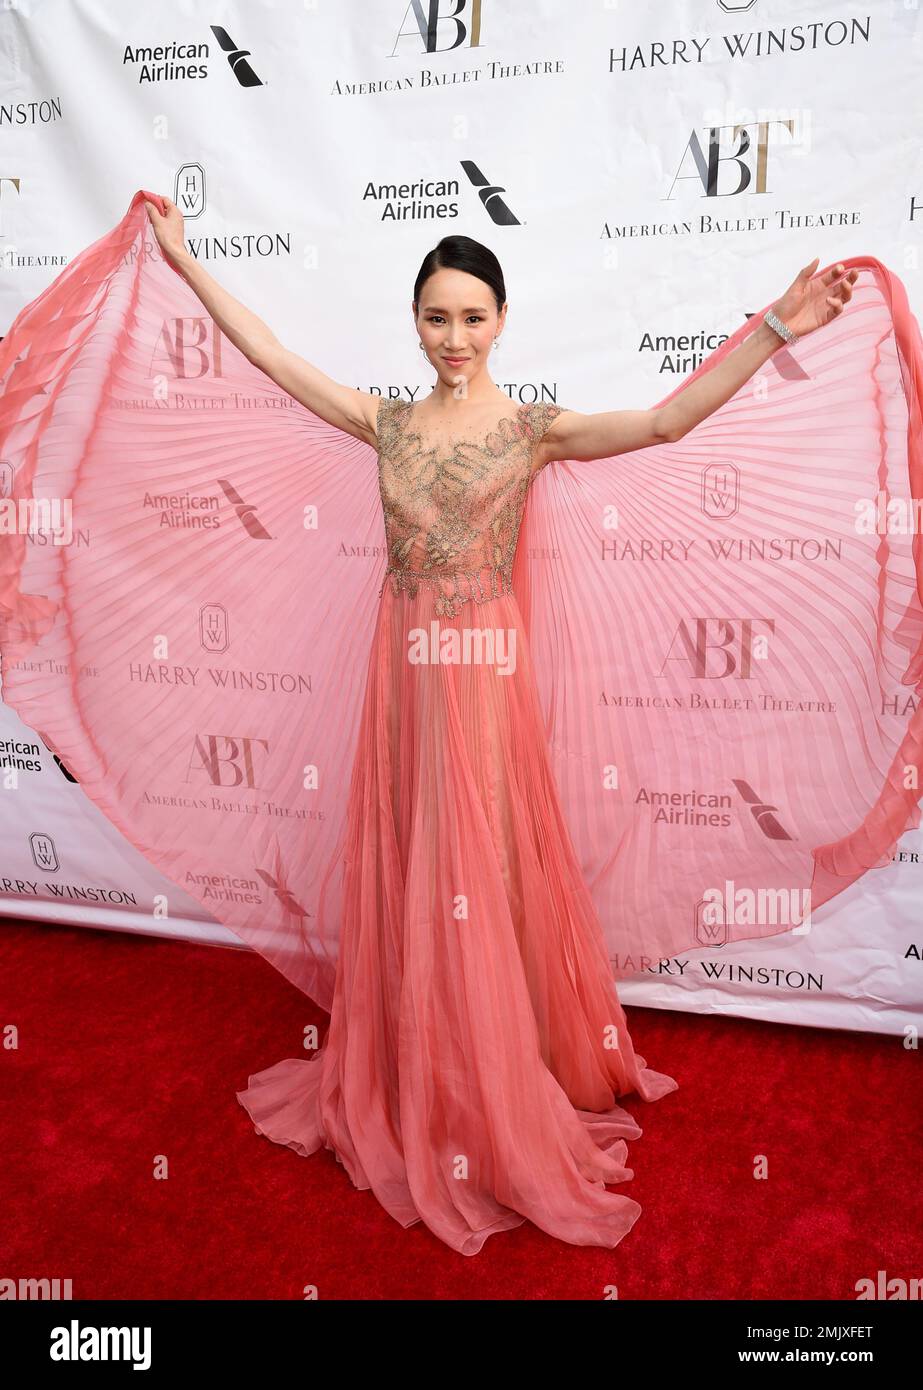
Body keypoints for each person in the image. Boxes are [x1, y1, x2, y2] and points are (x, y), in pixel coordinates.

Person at [1, 190, 916, 1260]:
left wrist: (775, 325)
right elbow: (270, 357)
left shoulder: (531, 432)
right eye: (435, 317)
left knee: (472, 861)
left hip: (479, 680)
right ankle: (414, 1064)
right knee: (413, 859)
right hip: (405, 678)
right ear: (413, 320)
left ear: (501, 319)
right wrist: (191, 266)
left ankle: (487, 1072)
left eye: (472, 317)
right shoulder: (382, 422)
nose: (452, 337)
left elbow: (669, 421)